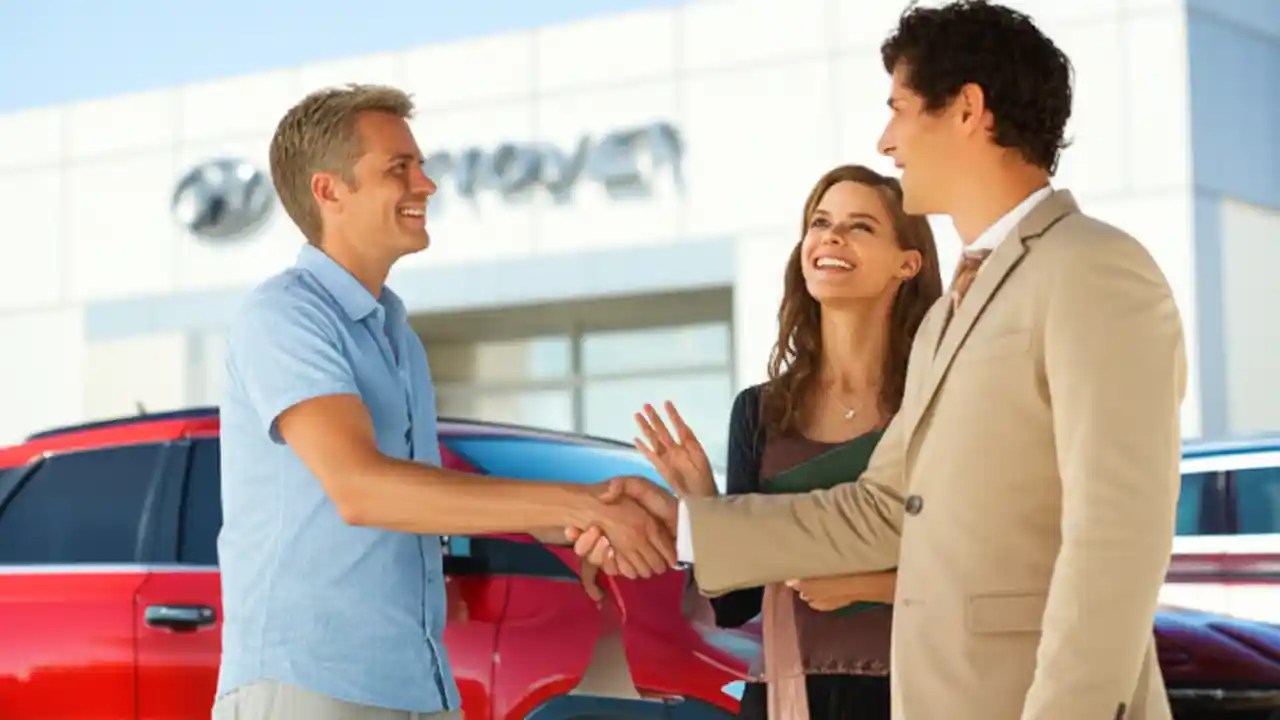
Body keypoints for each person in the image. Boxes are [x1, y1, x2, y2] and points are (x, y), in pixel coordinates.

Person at [575, 2, 1187, 718]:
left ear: (967, 110)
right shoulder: (952, 315)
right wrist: (684, 524)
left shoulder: (1093, 269)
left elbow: (1116, 536)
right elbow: (882, 509)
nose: (887, 138)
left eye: (898, 108)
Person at [213, 84, 676, 720]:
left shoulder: (394, 333)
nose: (425, 185)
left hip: (416, 683)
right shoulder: (285, 315)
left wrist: (560, 526)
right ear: (330, 191)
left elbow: (422, 494)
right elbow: (363, 489)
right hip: (311, 689)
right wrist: (575, 502)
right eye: (399, 169)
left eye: (421, 167)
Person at [626, 164, 940, 720]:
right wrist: (704, 501)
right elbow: (735, 604)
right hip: (788, 697)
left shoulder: (938, 402)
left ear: (907, 262)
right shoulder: (760, 412)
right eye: (820, 222)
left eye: (860, 226)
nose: (832, 237)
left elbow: (977, 558)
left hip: (921, 690)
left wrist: (873, 584)